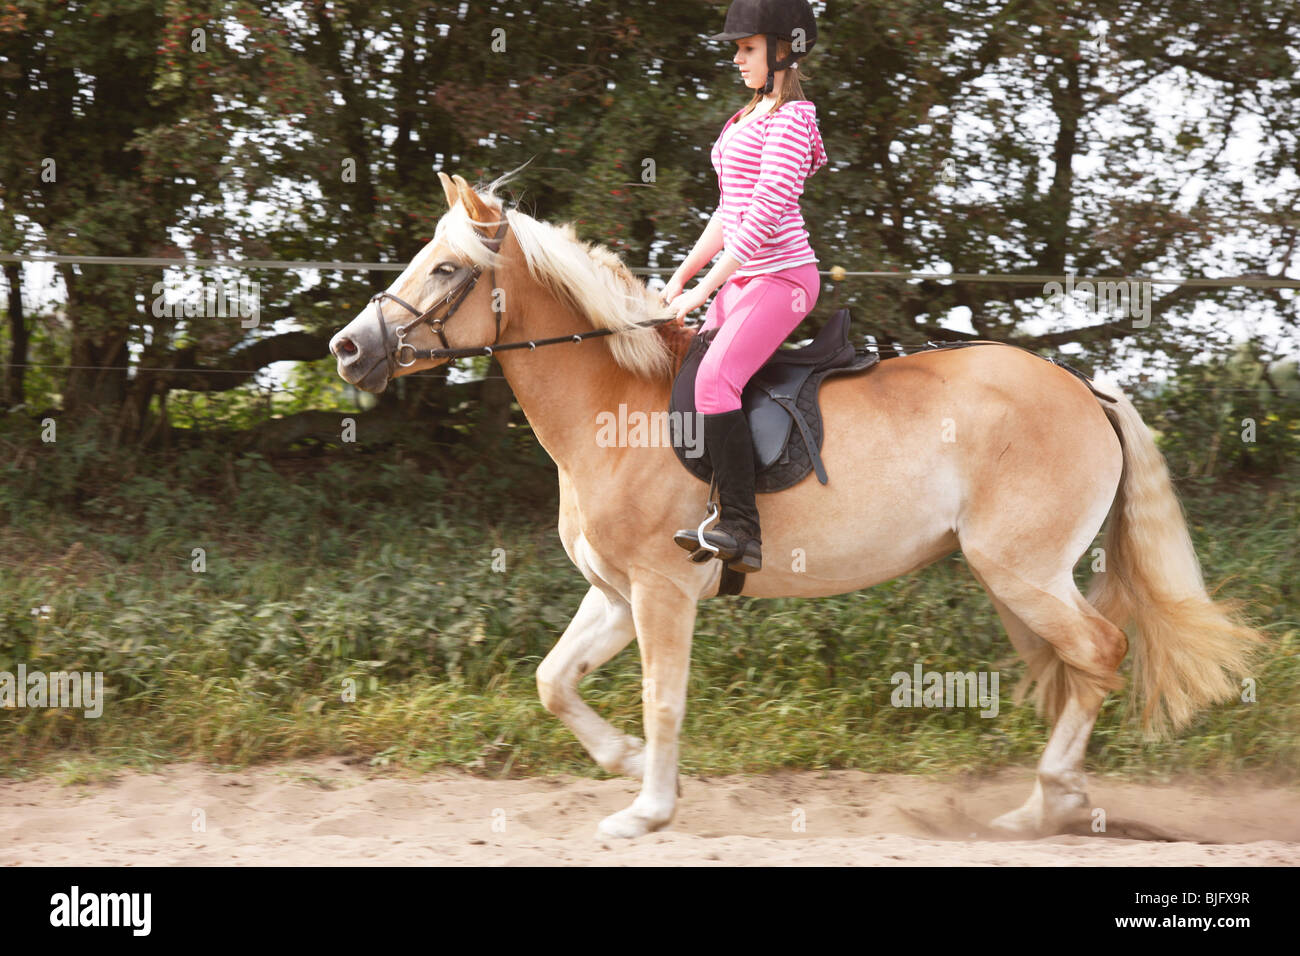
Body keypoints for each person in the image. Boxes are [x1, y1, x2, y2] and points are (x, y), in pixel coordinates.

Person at [660, 0, 827, 574]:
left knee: (714, 378)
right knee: (686, 378)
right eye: (737, 49)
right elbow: (727, 214)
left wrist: (700, 293)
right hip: (740, 278)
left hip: (782, 278)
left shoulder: (793, 120)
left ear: (784, 51)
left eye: (747, 48)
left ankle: (743, 529)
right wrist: (681, 277)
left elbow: (762, 219)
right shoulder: (743, 119)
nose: (737, 59)